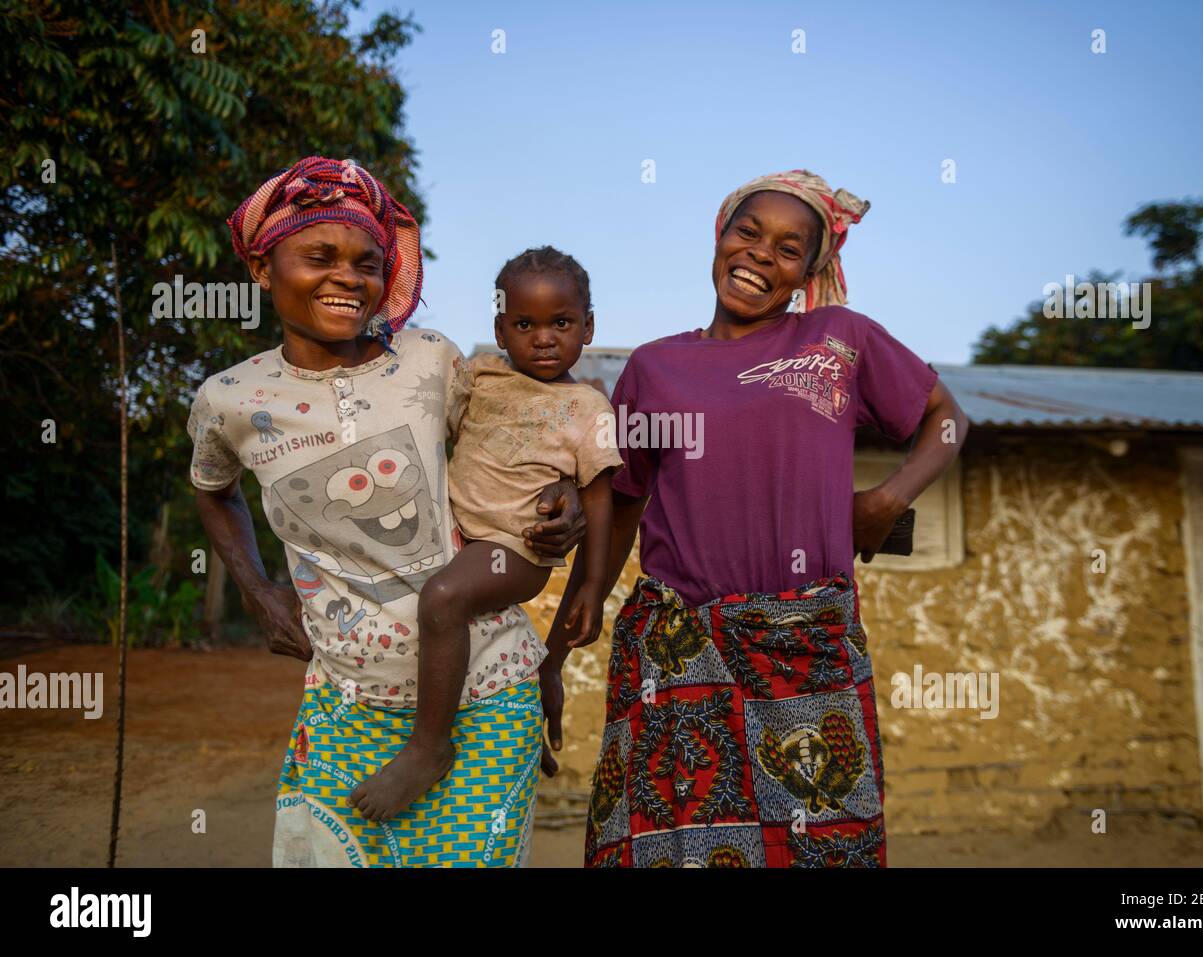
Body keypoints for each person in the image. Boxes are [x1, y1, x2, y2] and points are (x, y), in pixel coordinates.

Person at [542, 169, 969, 867]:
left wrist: (889, 498)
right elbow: (621, 506)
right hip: (678, 653)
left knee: (825, 843)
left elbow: (947, 420)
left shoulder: (840, 341)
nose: (762, 254)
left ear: (809, 269)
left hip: (806, 646)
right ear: (720, 234)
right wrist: (556, 653)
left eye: (788, 246)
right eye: (749, 231)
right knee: (672, 848)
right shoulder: (655, 369)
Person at [187, 156, 586, 867]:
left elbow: (517, 436)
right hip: (343, 700)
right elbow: (212, 489)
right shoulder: (230, 399)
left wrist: (569, 495)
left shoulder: (430, 360)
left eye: (367, 263)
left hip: (489, 690)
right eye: (319, 256)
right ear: (261, 267)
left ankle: (433, 749)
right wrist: (259, 591)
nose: (349, 277)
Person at [348, 246, 623, 822]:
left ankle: (429, 748)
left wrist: (593, 588)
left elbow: (601, 501)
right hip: (454, 532)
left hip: (515, 549)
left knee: (443, 599)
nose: (543, 338)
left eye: (562, 323)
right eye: (525, 324)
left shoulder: (589, 405)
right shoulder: (482, 376)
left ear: (589, 326)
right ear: (500, 329)